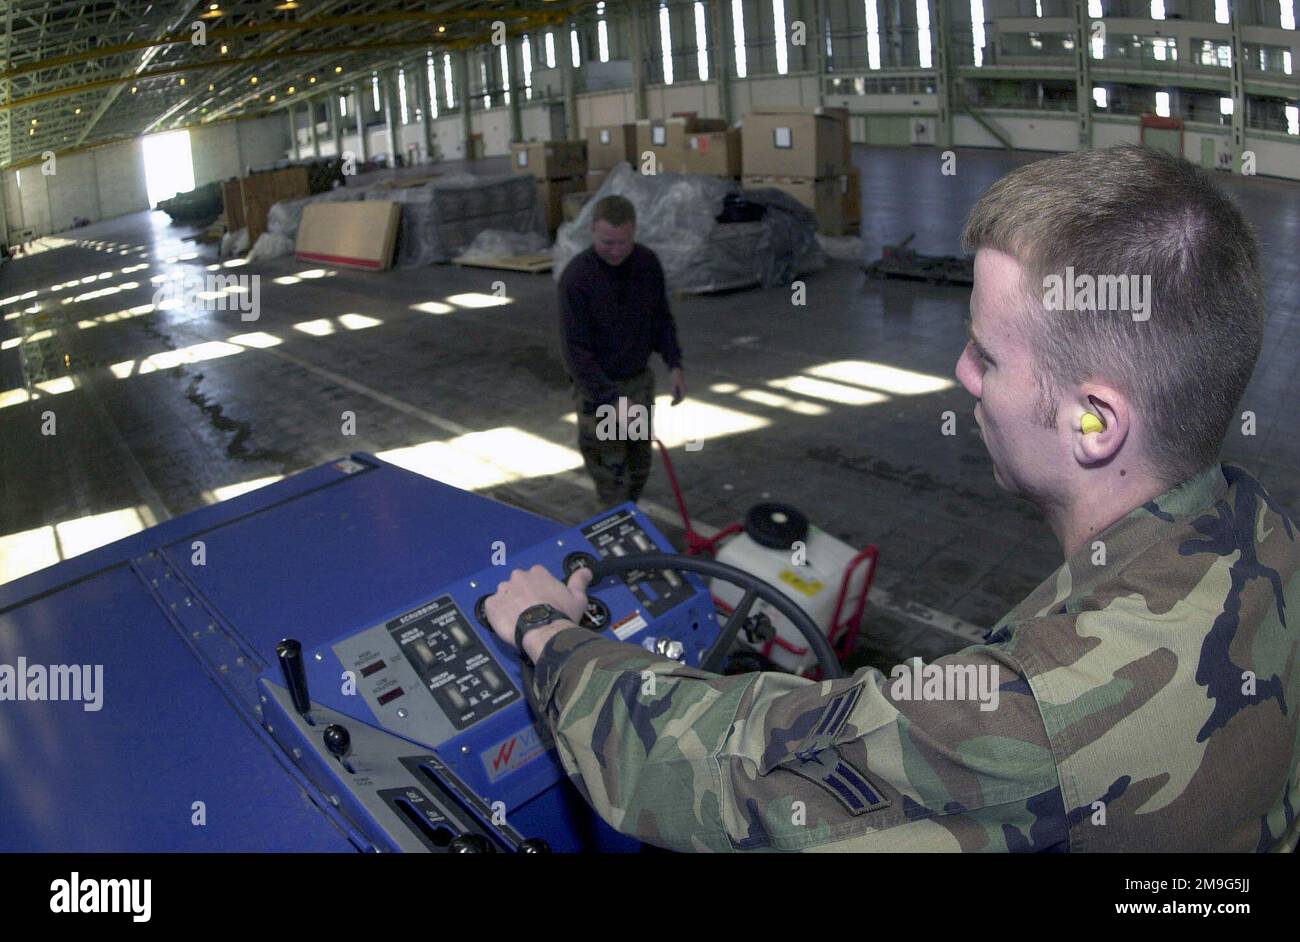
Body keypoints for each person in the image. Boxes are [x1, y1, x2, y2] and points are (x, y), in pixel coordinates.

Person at [488, 145, 1300, 852]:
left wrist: (548, 633)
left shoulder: (1036, 719)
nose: (963, 374)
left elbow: (715, 775)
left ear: (1095, 423)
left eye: (987, 354)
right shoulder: (1266, 536)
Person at [558, 194, 686, 508]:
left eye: (623, 242)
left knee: (639, 465)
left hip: (638, 385)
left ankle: (627, 523)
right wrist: (612, 400)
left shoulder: (646, 265)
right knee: (613, 479)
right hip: (600, 393)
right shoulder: (576, 279)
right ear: (592, 231)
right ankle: (613, 543)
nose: (616, 251)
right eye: (607, 242)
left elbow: (661, 319)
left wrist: (674, 364)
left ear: (634, 232)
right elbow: (575, 351)